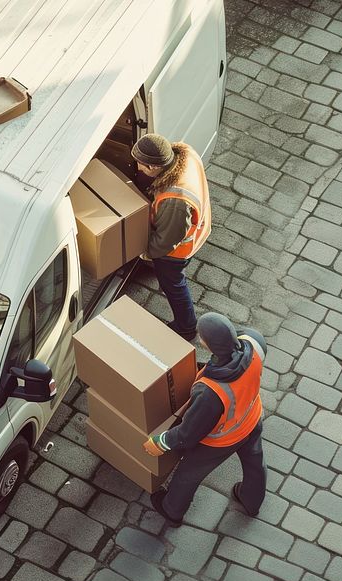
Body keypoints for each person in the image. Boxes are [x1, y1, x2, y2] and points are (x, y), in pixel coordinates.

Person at [142, 312, 268, 526]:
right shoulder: (253, 342)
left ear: (206, 343)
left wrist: (160, 443)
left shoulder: (210, 392)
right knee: (255, 461)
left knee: (187, 473)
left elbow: (188, 434)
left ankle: (171, 510)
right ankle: (251, 500)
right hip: (251, 417)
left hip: (223, 438)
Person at [131, 134, 211, 342]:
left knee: (173, 284)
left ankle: (186, 326)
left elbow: (166, 241)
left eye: (141, 164)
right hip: (197, 223)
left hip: (175, 252)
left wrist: (145, 252)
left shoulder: (174, 199)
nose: (138, 167)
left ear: (154, 167)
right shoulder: (185, 153)